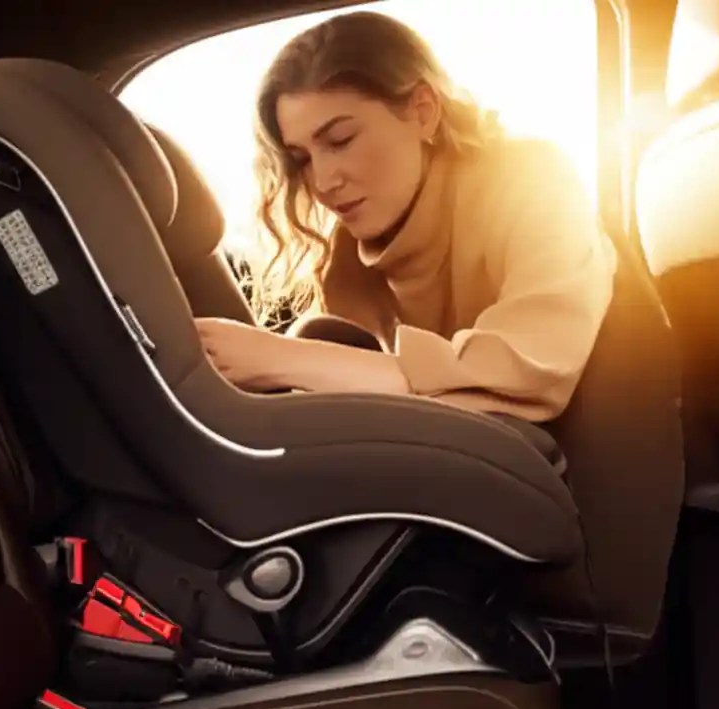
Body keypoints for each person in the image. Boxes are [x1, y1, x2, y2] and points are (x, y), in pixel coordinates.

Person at [194, 11, 616, 423]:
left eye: (341, 141)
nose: (322, 182)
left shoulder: (532, 178)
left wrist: (278, 359)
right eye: (302, 158)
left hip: (557, 474)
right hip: (448, 464)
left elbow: (524, 373)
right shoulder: (350, 258)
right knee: (320, 334)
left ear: (422, 110)